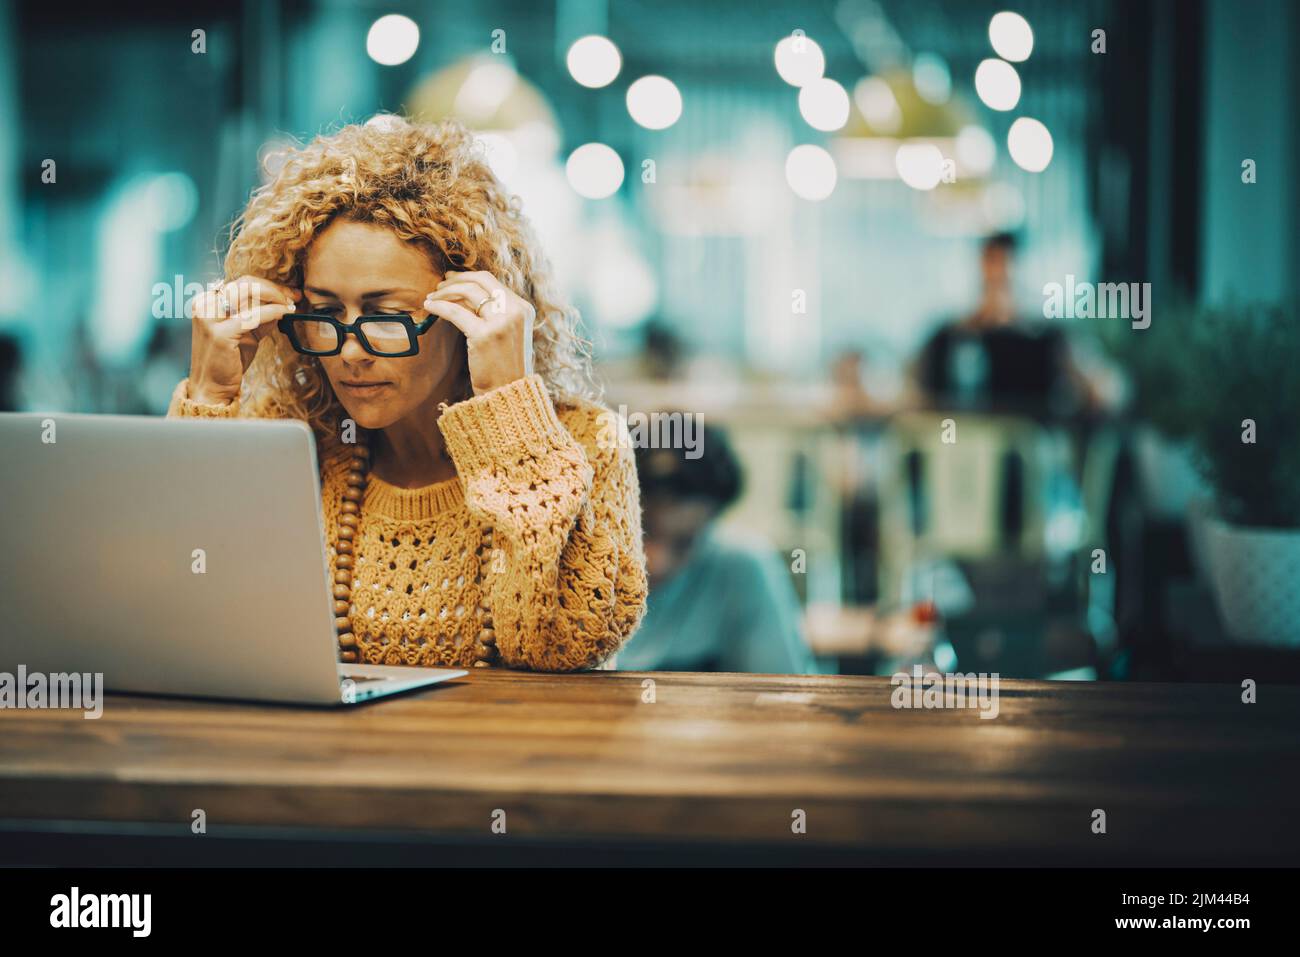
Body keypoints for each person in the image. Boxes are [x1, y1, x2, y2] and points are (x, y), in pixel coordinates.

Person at [170, 117, 647, 672]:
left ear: (468, 312)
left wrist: (509, 406)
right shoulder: (287, 440)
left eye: (386, 315)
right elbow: (186, 615)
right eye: (324, 313)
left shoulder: (582, 444)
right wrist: (209, 398)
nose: (350, 352)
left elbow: (567, 643)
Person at [616, 423, 817, 674]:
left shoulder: (742, 569)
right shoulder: (577, 571)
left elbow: (784, 694)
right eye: (642, 533)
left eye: (684, 542)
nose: (657, 562)